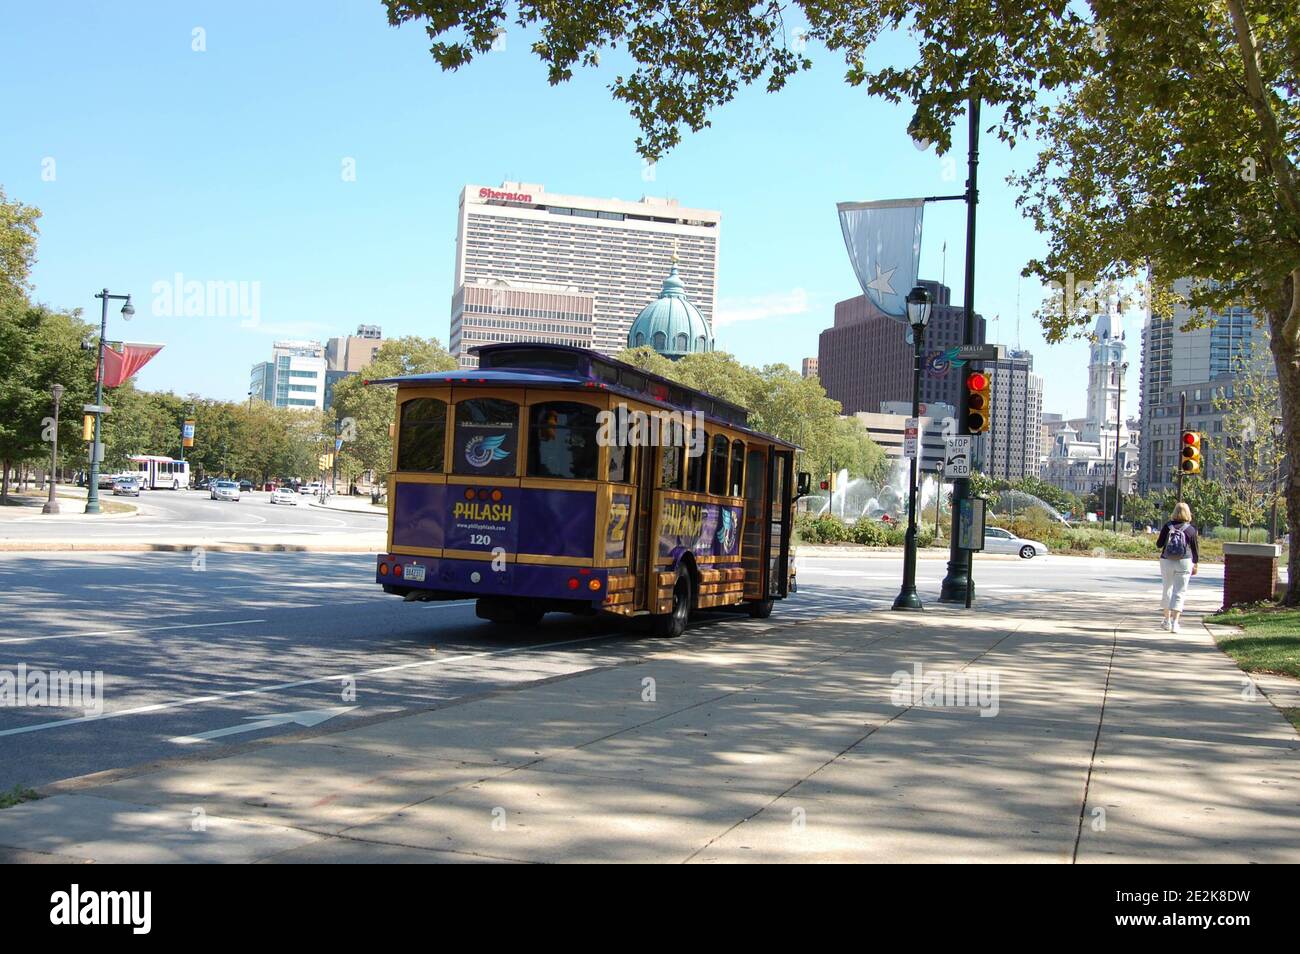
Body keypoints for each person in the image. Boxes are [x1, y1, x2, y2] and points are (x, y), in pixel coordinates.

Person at [1156, 501, 1199, 632]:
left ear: (1174, 512)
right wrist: (1195, 564)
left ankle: (1166, 621)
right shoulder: (1191, 530)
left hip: (1167, 560)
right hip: (1184, 561)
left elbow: (1159, 544)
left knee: (1167, 588)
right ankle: (1176, 623)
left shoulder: (1167, 526)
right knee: (1180, 591)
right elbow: (1195, 550)